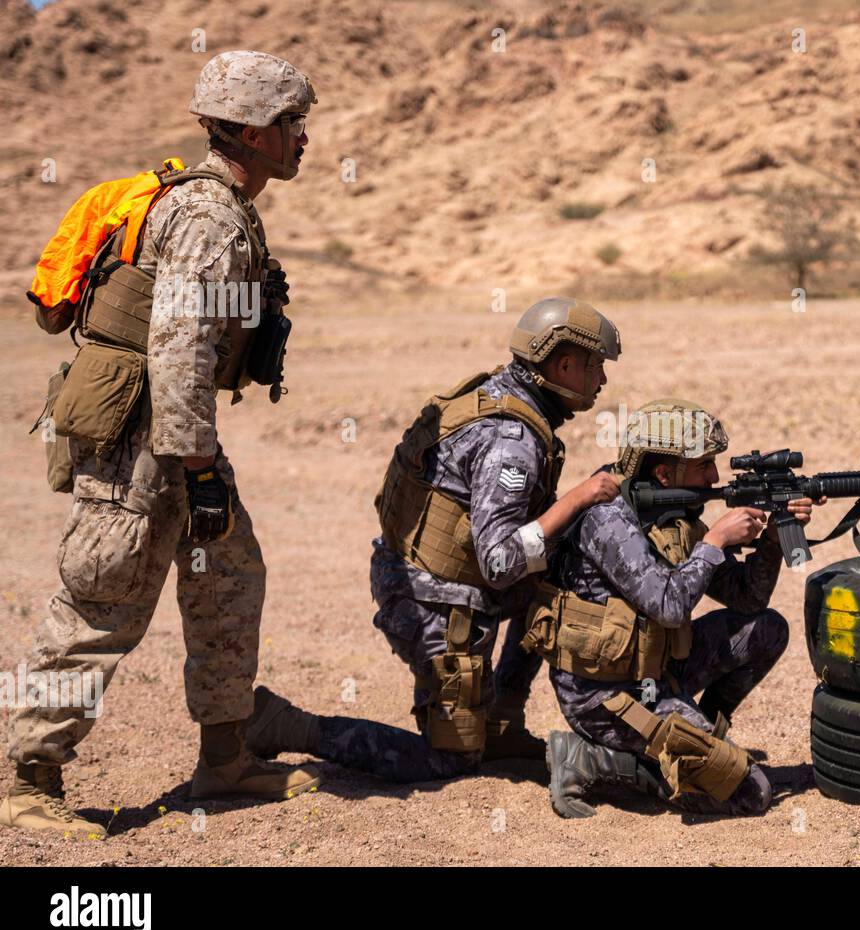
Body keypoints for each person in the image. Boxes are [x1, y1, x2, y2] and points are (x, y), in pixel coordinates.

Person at [2, 51, 322, 839]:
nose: (302, 138)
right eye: (289, 123)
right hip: (146, 449)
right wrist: (201, 465)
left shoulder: (219, 205)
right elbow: (180, 346)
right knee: (100, 603)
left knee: (229, 580)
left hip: (173, 440)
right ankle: (28, 779)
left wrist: (200, 465)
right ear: (249, 129)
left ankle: (225, 758)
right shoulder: (211, 216)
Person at [242, 299, 623, 782]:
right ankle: (286, 726)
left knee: (563, 571)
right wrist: (579, 499)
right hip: (433, 604)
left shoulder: (497, 395)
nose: (602, 380)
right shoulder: (512, 439)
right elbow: (501, 563)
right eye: (595, 366)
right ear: (564, 364)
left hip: (430, 578)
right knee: (451, 761)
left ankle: (502, 720)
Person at [530, 399, 817, 817]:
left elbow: (747, 599)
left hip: (657, 669)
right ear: (665, 473)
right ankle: (592, 756)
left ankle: (696, 734)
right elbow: (668, 606)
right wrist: (715, 541)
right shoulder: (609, 521)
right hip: (605, 696)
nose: (715, 477)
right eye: (704, 465)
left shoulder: (672, 514)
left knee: (767, 629)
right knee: (749, 794)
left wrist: (774, 539)